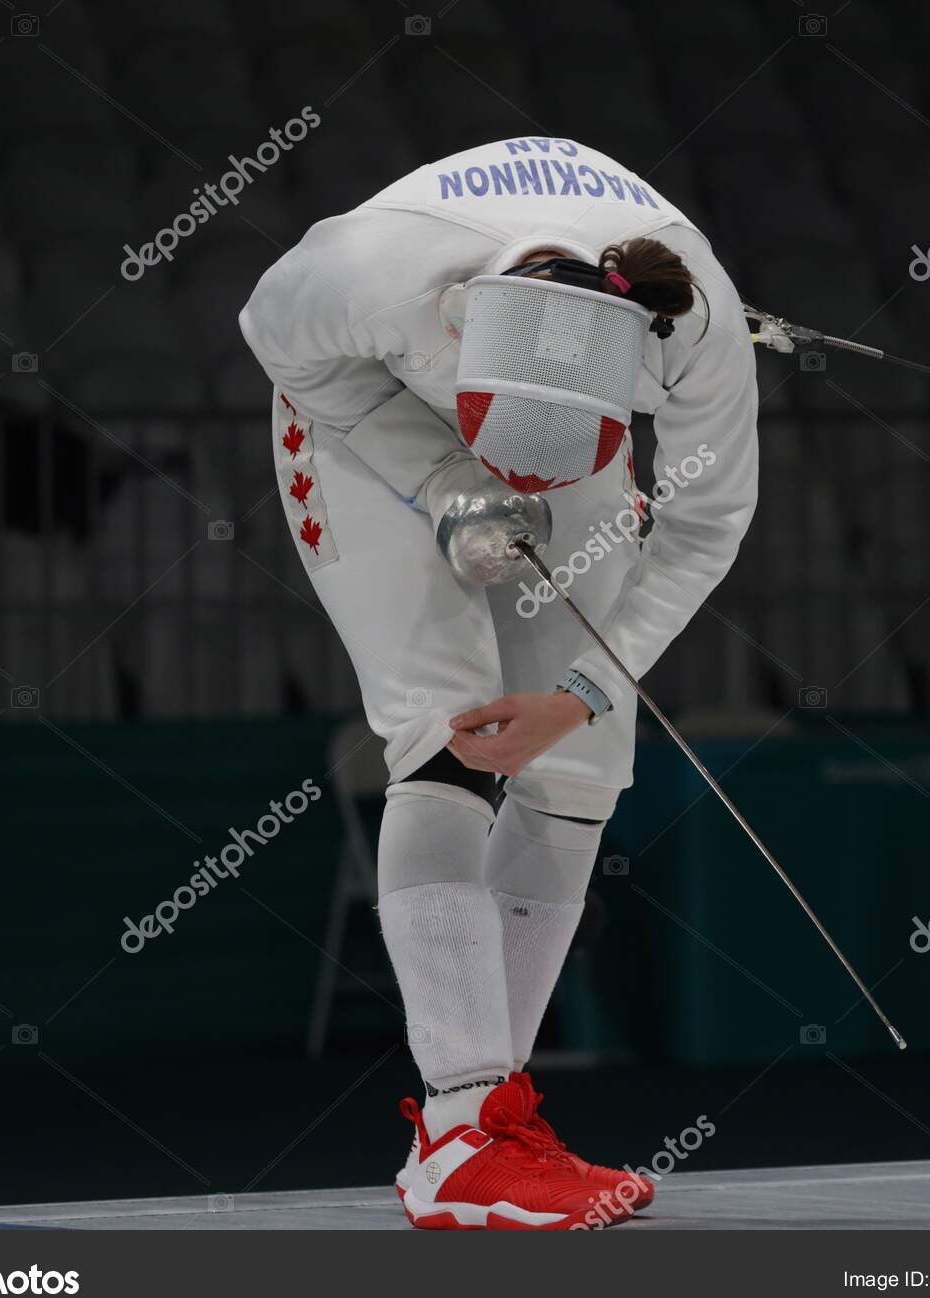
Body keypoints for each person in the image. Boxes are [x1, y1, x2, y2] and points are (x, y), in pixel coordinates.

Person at [239, 137, 758, 1230]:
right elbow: (274, 343)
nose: (521, 482)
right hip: (363, 423)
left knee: (576, 767)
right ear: (461, 328)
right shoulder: (371, 269)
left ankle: (475, 1129)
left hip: (571, 430)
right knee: (452, 727)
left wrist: (579, 695)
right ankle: (469, 1125)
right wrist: (440, 479)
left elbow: (707, 523)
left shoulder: (691, 317)